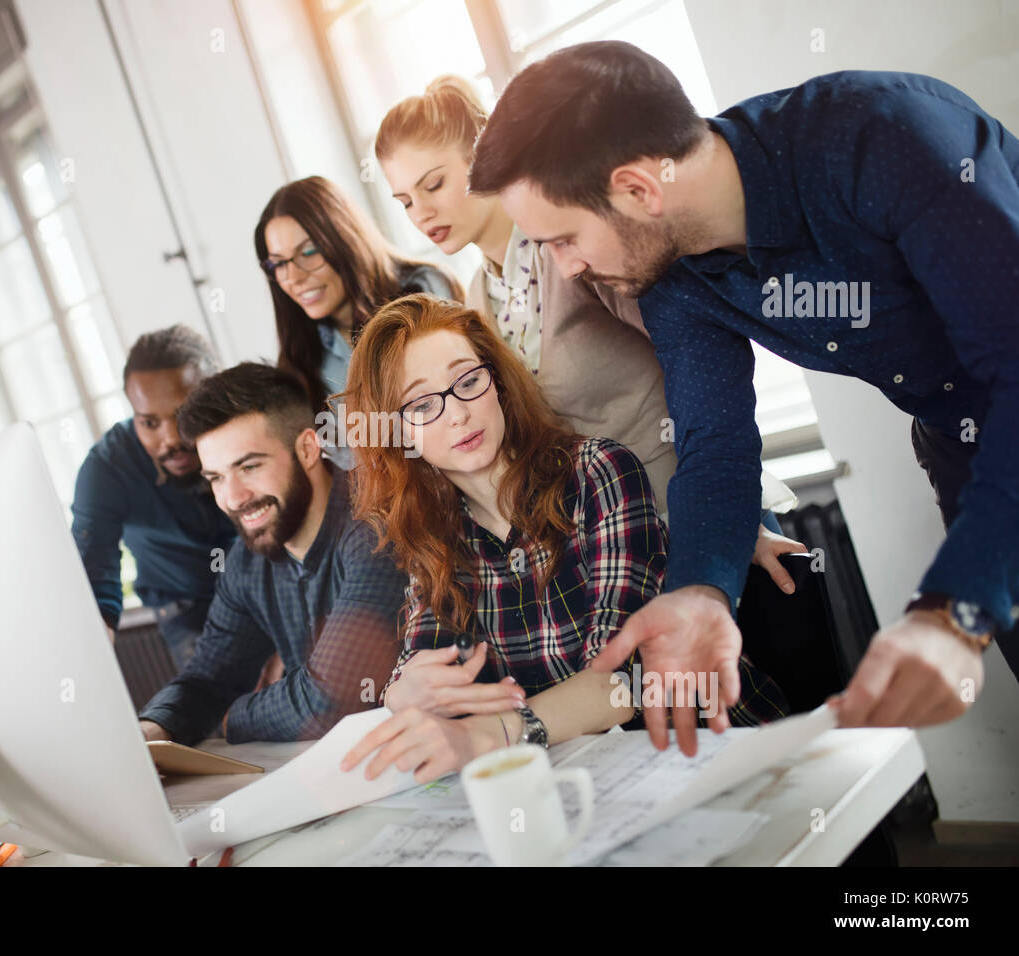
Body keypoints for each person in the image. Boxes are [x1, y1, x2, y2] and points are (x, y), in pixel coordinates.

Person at [470, 40, 1019, 753]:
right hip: (967, 449)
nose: (566, 269)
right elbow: (717, 444)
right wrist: (701, 588)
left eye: (564, 239)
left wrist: (952, 611)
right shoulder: (671, 277)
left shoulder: (884, 138)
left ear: (640, 189)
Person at [374, 75, 805, 589]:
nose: (420, 213)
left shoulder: (579, 249)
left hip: (705, 517)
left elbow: (703, 360)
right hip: (613, 549)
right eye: (403, 201)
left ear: (482, 156)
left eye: (433, 184)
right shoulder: (474, 300)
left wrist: (731, 521)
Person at [336, 294, 788, 783]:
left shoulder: (599, 472)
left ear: (499, 383)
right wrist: (403, 693)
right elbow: (426, 665)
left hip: (723, 753)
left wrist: (487, 735)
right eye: (422, 404)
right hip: (596, 782)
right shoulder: (433, 537)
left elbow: (618, 687)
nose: (457, 414)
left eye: (468, 381)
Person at [137, 362, 407, 744]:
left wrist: (231, 717)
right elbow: (207, 679)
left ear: (308, 448)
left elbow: (333, 697)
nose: (233, 497)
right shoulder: (247, 564)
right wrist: (152, 731)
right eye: (216, 478)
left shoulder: (374, 522)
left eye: (249, 466)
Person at [255, 176, 461, 466]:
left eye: (309, 252)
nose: (293, 277)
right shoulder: (303, 358)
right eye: (278, 263)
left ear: (345, 239)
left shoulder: (424, 291)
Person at [70, 325, 236, 669]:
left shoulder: (245, 431)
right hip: (187, 612)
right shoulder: (107, 468)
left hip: (272, 584)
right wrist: (93, 655)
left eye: (184, 413)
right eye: (149, 422)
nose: (172, 438)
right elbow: (94, 565)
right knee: (225, 716)